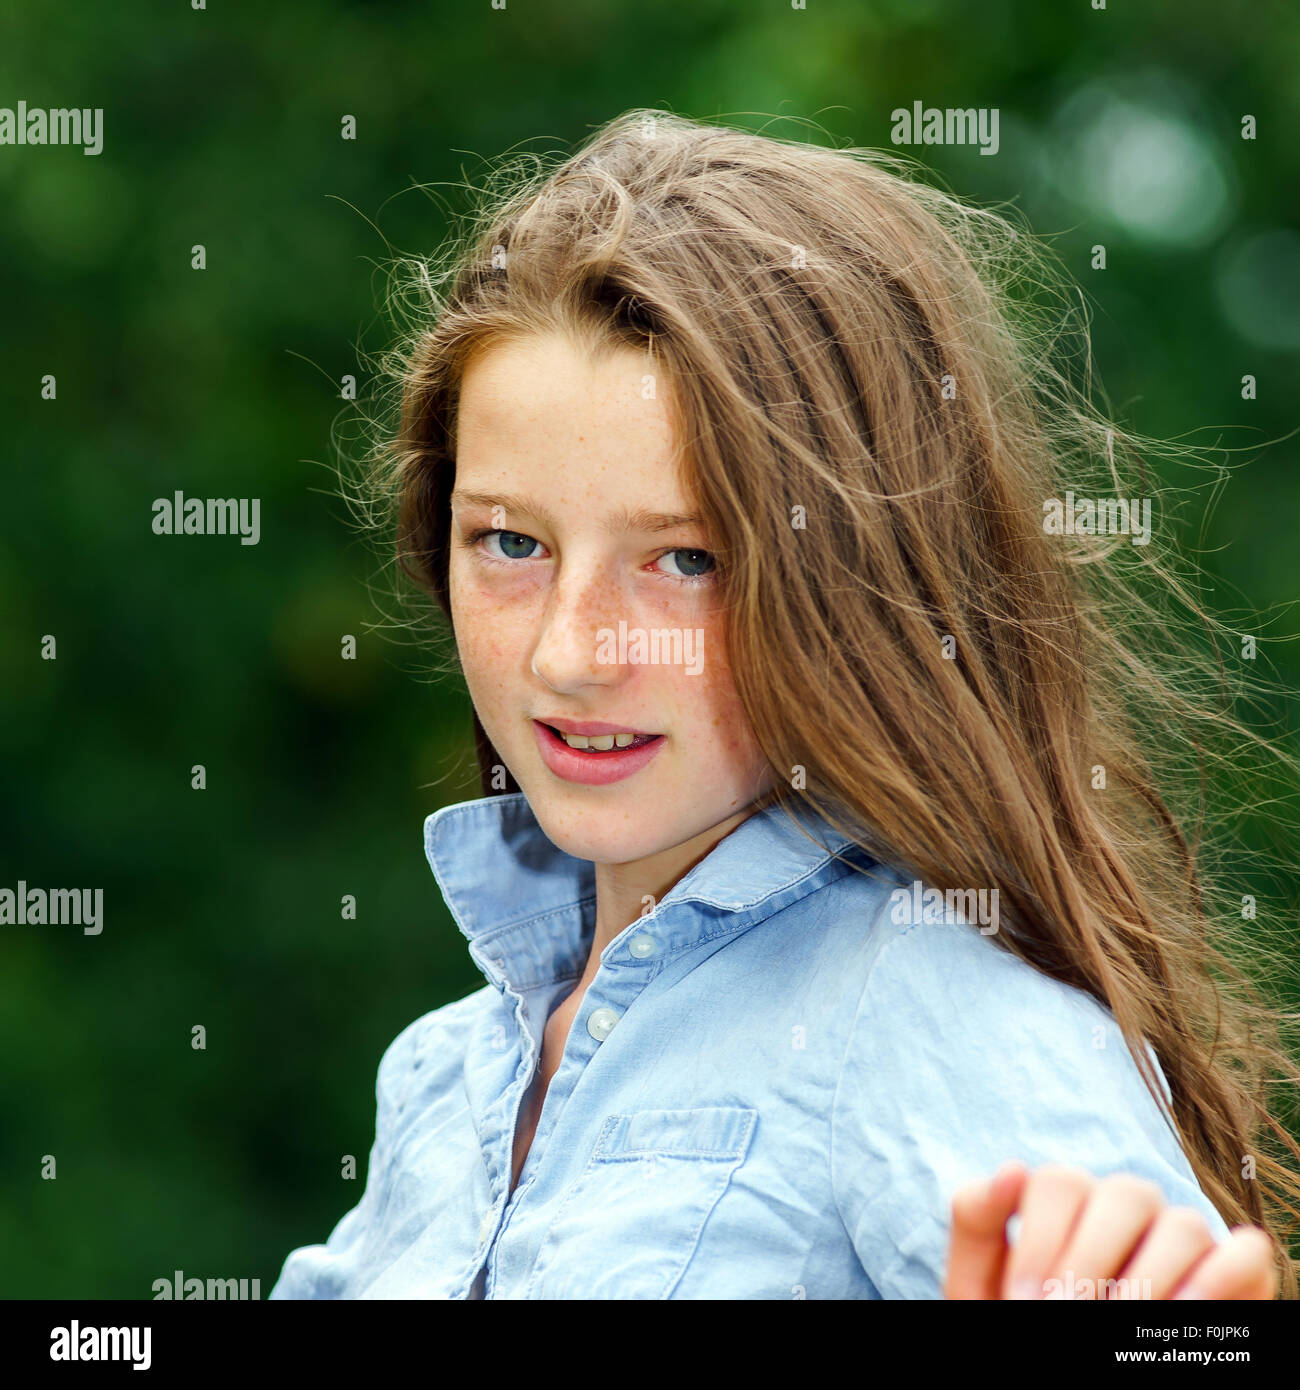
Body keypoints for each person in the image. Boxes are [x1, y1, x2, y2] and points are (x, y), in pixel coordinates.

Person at [270, 110, 1298, 1299]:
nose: (570, 652)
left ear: (861, 583)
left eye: (687, 559)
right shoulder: (442, 1076)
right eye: (508, 541)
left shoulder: (926, 1002)